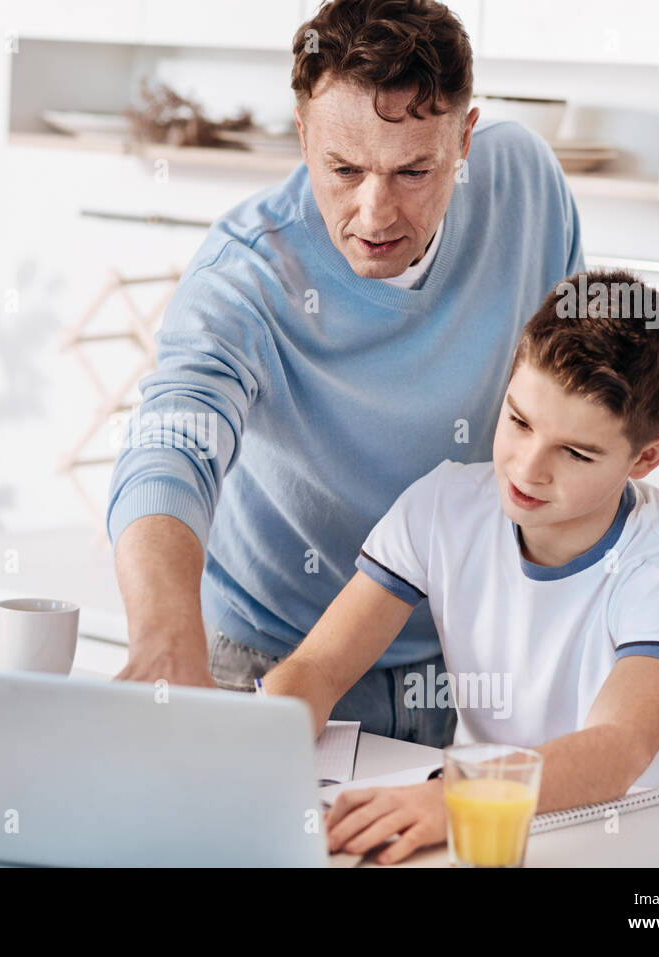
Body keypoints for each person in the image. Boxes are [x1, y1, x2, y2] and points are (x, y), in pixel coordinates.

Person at [106, 0, 583, 746]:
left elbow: (573, 398)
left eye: (414, 170)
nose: (374, 211)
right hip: (275, 665)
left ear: (465, 136)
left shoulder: (526, 184)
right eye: (344, 168)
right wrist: (166, 636)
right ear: (303, 137)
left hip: (463, 668)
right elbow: (171, 444)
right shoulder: (247, 274)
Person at [263, 269, 659, 863]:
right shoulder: (442, 507)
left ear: (647, 456)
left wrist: (454, 799)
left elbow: (617, 749)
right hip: (502, 817)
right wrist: (262, 743)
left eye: (575, 452)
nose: (526, 469)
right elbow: (319, 666)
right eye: (518, 421)